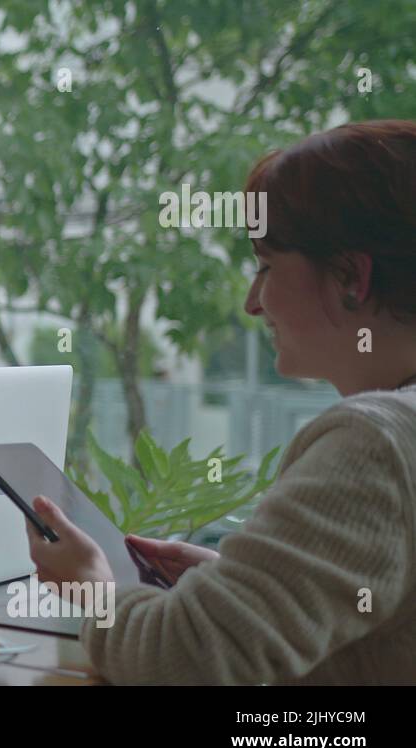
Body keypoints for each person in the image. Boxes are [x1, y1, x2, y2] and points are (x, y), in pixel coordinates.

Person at [25, 120, 416, 684]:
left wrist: (94, 588)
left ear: (352, 276)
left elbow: (185, 660)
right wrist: (238, 589)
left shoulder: (377, 443)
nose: (253, 302)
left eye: (266, 267)